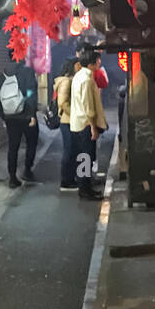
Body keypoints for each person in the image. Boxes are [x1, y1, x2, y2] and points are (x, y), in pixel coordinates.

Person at [69, 48, 107, 200]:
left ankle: (85, 186)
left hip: (78, 123)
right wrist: (93, 126)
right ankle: (85, 189)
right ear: (91, 63)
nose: (99, 62)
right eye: (97, 60)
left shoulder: (79, 76)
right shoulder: (86, 80)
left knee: (83, 157)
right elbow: (88, 106)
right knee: (86, 157)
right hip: (85, 124)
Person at [0, 56, 38, 187]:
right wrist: (32, 114)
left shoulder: (2, 75)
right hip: (25, 115)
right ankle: (27, 169)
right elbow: (31, 93)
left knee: (13, 147)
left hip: (10, 117)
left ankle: (12, 178)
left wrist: (3, 116)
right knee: (32, 142)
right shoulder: (27, 71)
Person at [53, 59, 79, 191]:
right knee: (69, 151)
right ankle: (66, 180)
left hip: (68, 120)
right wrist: (74, 114)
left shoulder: (67, 81)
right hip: (67, 121)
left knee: (71, 150)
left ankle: (70, 178)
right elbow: (62, 102)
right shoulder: (67, 82)